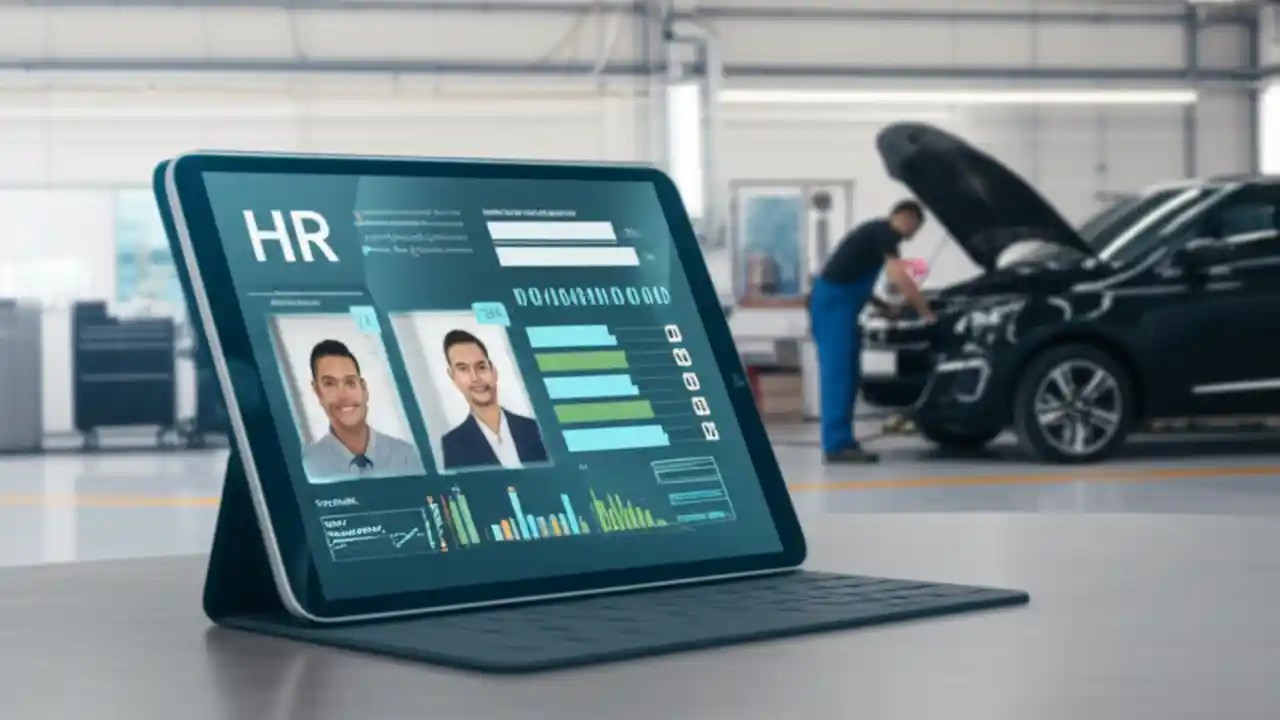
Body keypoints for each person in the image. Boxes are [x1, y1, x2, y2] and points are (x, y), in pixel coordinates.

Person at [810, 199, 935, 464]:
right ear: (906, 218)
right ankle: (835, 446)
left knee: (849, 375)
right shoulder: (885, 233)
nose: (913, 235)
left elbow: (854, 275)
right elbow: (899, 277)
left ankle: (844, 441)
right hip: (833, 306)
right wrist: (925, 312)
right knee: (838, 375)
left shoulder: (876, 233)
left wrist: (884, 306)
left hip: (839, 304)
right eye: (915, 228)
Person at [301, 339, 423, 482]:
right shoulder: (308, 466)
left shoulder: (405, 455)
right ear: (317, 391)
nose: (343, 395)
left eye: (350, 382)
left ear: (364, 389)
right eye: (330, 384)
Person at [440, 329, 549, 471]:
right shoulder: (452, 445)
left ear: (493, 371)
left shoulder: (535, 429)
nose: (475, 378)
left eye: (481, 367)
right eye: (463, 369)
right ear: (453, 377)